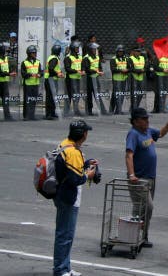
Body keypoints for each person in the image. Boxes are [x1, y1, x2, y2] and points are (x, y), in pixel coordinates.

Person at [52, 119, 97, 276]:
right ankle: (60, 270)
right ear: (83, 134)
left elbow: (68, 168)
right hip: (68, 198)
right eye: (86, 132)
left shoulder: (65, 144)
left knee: (67, 234)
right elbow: (75, 179)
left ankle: (66, 267)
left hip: (61, 194)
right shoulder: (73, 152)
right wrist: (89, 174)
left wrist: (85, 163)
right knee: (64, 234)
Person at [125, 107, 168, 247]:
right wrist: (131, 175)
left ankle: (142, 237)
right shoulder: (133, 134)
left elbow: (160, 134)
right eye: (144, 119)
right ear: (135, 121)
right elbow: (129, 155)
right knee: (146, 207)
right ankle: (133, 235)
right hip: (139, 179)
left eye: (147, 119)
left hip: (150, 178)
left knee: (144, 209)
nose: (147, 121)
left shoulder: (148, 131)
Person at [82, 42, 106, 115]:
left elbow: (99, 66)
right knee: (89, 95)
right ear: (90, 49)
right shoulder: (86, 58)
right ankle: (89, 111)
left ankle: (102, 110)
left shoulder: (97, 57)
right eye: (94, 49)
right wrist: (96, 71)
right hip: (89, 78)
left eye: (95, 49)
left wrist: (101, 71)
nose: (95, 50)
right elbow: (87, 69)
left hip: (96, 78)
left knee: (98, 94)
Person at [21, 44, 43, 121]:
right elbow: (23, 74)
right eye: (33, 53)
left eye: (35, 53)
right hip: (28, 84)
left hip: (35, 84)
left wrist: (40, 74)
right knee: (27, 100)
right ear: (29, 54)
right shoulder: (24, 63)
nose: (35, 54)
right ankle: (26, 116)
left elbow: (41, 71)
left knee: (34, 100)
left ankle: (32, 115)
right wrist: (30, 74)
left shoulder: (38, 62)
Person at [44, 44, 64, 120]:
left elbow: (55, 69)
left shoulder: (53, 57)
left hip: (52, 79)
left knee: (52, 97)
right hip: (50, 80)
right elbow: (51, 69)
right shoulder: (54, 59)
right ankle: (48, 114)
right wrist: (58, 74)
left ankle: (52, 113)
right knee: (50, 97)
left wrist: (60, 73)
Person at [109, 44, 129, 115]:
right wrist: (121, 70)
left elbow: (129, 67)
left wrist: (127, 70)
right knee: (116, 94)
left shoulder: (126, 58)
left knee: (121, 94)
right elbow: (113, 69)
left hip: (124, 79)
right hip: (116, 79)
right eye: (119, 52)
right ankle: (114, 109)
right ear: (117, 52)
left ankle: (118, 109)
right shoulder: (113, 59)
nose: (120, 53)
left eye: (122, 52)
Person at [129, 45, 148, 111]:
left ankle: (136, 106)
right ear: (134, 52)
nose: (138, 53)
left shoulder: (142, 58)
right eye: (137, 51)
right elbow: (130, 68)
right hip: (134, 77)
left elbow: (146, 67)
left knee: (141, 93)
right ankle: (133, 107)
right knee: (134, 93)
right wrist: (139, 70)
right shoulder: (130, 58)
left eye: (139, 51)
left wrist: (144, 70)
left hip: (141, 78)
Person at [0, 42, 15, 120]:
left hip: (4, 82)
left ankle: (7, 116)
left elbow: (9, 67)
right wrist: (9, 74)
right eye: (4, 50)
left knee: (6, 99)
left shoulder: (6, 58)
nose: (5, 51)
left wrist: (12, 71)